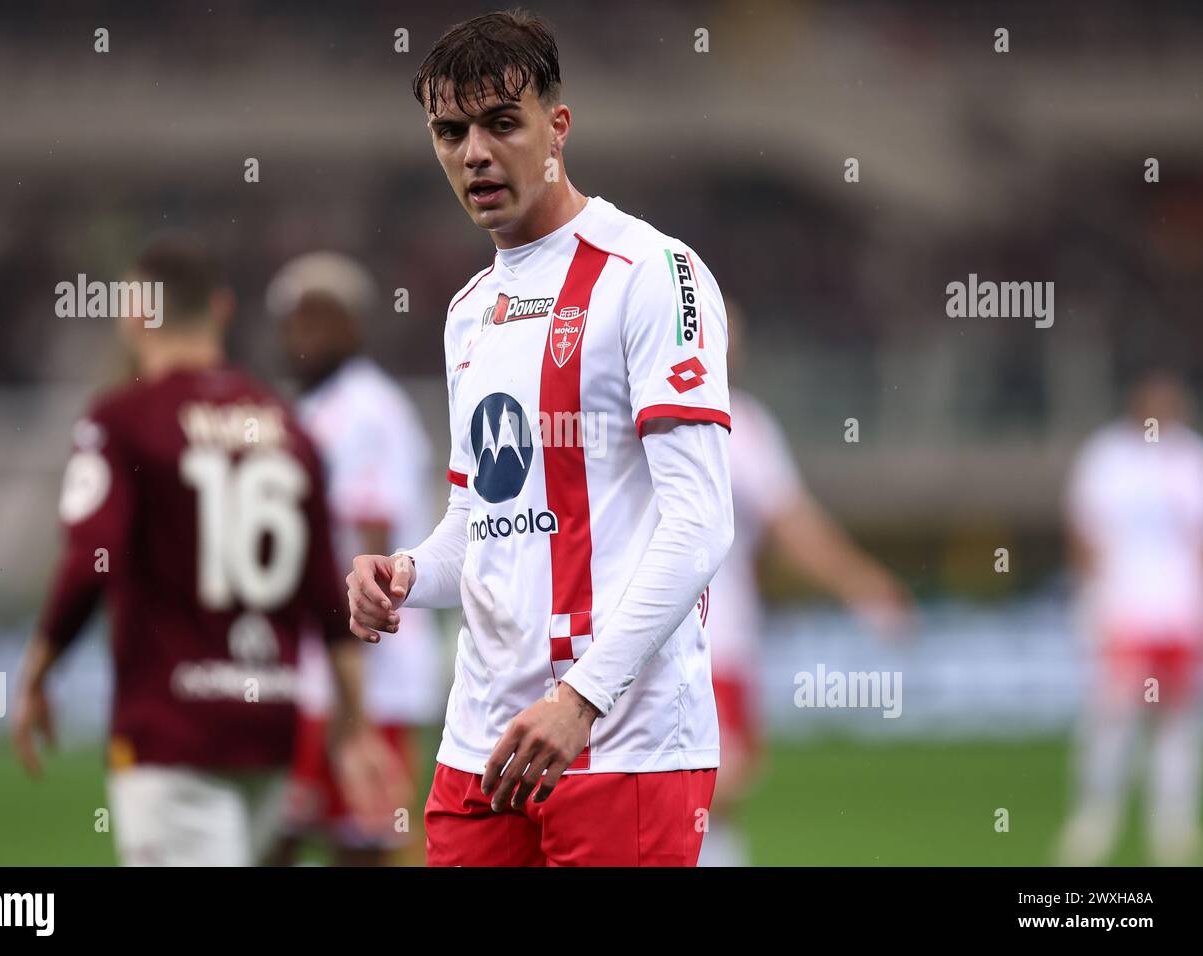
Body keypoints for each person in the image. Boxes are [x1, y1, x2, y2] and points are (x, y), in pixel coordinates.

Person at [347, 10, 735, 867]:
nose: (474, 153)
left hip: (621, 742)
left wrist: (582, 698)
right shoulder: (467, 312)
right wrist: (407, 573)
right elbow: (480, 522)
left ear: (557, 127)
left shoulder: (652, 274)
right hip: (482, 746)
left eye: (500, 124)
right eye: (450, 132)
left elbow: (703, 520)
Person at [12, 235, 398, 866]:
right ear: (221, 309)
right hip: (268, 727)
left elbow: (88, 561)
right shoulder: (288, 428)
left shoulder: (125, 420)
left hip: (172, 731)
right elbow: (328, 594)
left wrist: (36, 671)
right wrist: (354, 727)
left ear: (136, 314)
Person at [698, 304, 913, 866]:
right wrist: (863, 585)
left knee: (710, 795)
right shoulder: (721, 425)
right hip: (684, 645)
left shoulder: (739, 426)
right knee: (697, 793)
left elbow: (789, 528)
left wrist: (859, 584)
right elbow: (793, 527)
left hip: (719, 640)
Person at [266, 251, 442, 865]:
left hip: (371, 667)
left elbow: (372, 540)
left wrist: (352, 693)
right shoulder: (313, 410)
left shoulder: (366, 410)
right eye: (294, 321)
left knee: (367, 842)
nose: (302, 336)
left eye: (319, 319)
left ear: (352, 326)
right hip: (322, 666)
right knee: (289, 833)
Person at [1058, 367, 1203, 866]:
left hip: (1180, 614)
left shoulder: (1192, 457)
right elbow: (1084, 533)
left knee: (1175, 722)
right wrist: (1094, 600)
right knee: (1111, 719)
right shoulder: (1108, 457)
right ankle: (1095, 819)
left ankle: (1173, 826)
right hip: (1122, 609)